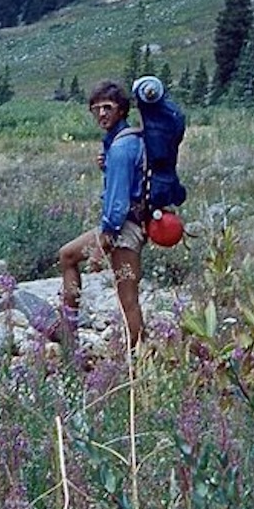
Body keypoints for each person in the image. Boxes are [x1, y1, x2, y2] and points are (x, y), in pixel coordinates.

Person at [58, 80, 146, 348]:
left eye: (108, 107)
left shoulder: (120, 148)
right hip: (129, 224)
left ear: (121, 110)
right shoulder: (127, 141)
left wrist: (102, 243)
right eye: (95, 109)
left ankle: (135, 358)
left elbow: (118, 204)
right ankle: (71, 333)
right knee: (69, 256)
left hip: (123, 229)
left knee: (127, 299)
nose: (101, 114)